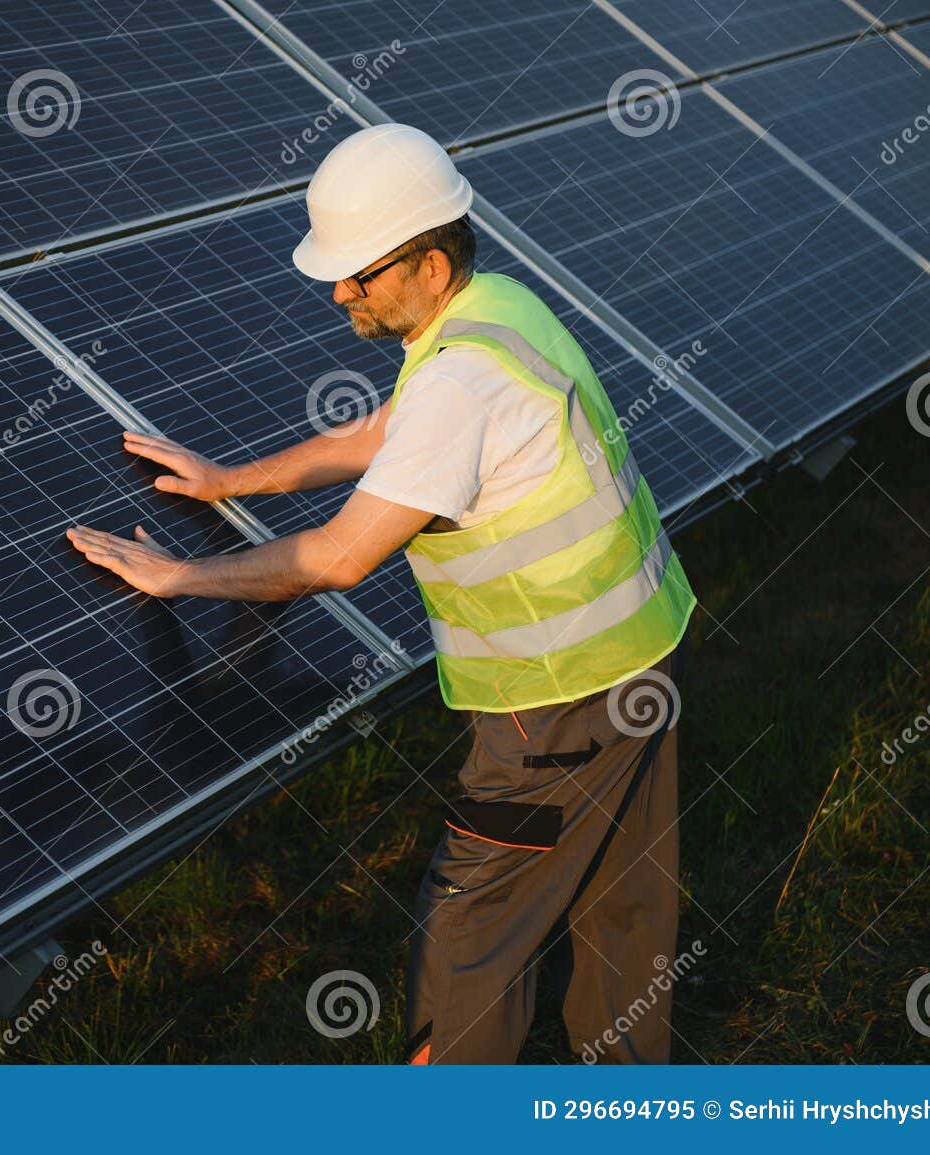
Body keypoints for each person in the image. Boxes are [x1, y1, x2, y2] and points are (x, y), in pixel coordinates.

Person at [66, 122, 695, 1063]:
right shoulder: (497, 307)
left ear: (430, 266)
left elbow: (336, 558)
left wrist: (181, 577)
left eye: (360, 275)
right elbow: (384, 432)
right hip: (642, 651)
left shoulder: (461, 386)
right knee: (620, 902)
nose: (339, 293)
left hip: (553, 702)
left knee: (470, 935)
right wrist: (233, 479)